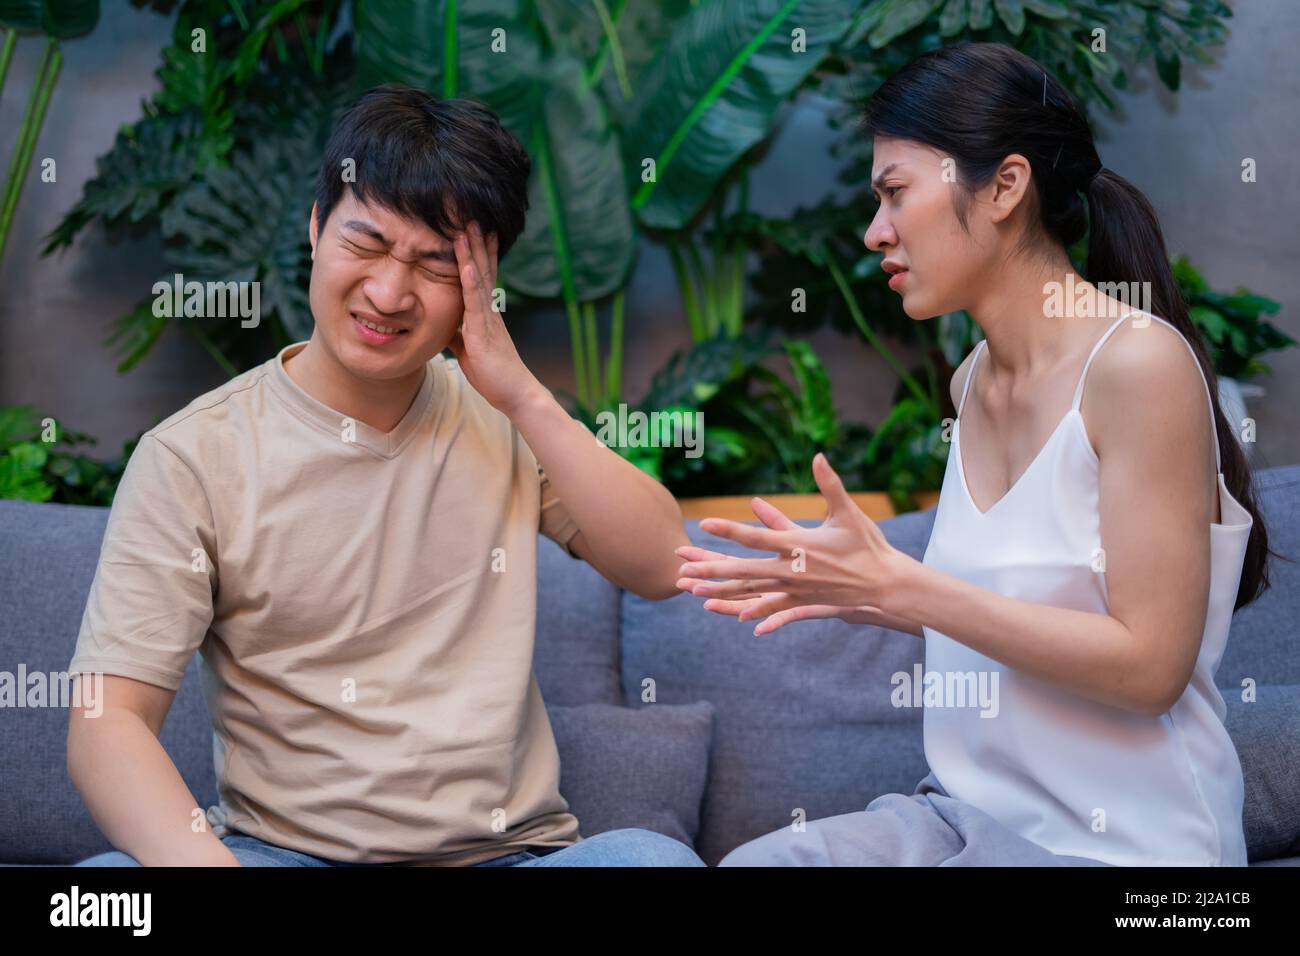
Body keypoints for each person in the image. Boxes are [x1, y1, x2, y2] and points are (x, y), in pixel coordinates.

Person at [68, 85, 702, 868]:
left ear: (481, 284)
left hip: (504, 859)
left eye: (437, 264)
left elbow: (667, 565)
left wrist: (524, 396)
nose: (389, 293)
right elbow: (107, 723)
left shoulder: (504, 419)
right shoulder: (193, 457)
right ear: (314, 227)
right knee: (99, 899)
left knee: (651, 862)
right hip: (286, 857)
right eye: (366, 244)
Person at [674, 42, 1276, 867]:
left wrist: (909, 587)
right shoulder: (971, 381)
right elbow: (1003, 612)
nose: (874, 232)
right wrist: (860, 590)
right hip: (971, 822)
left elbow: (1150, 669)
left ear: (1005, 186)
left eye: (895, 193)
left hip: (1130, 852)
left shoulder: (1136, 365)